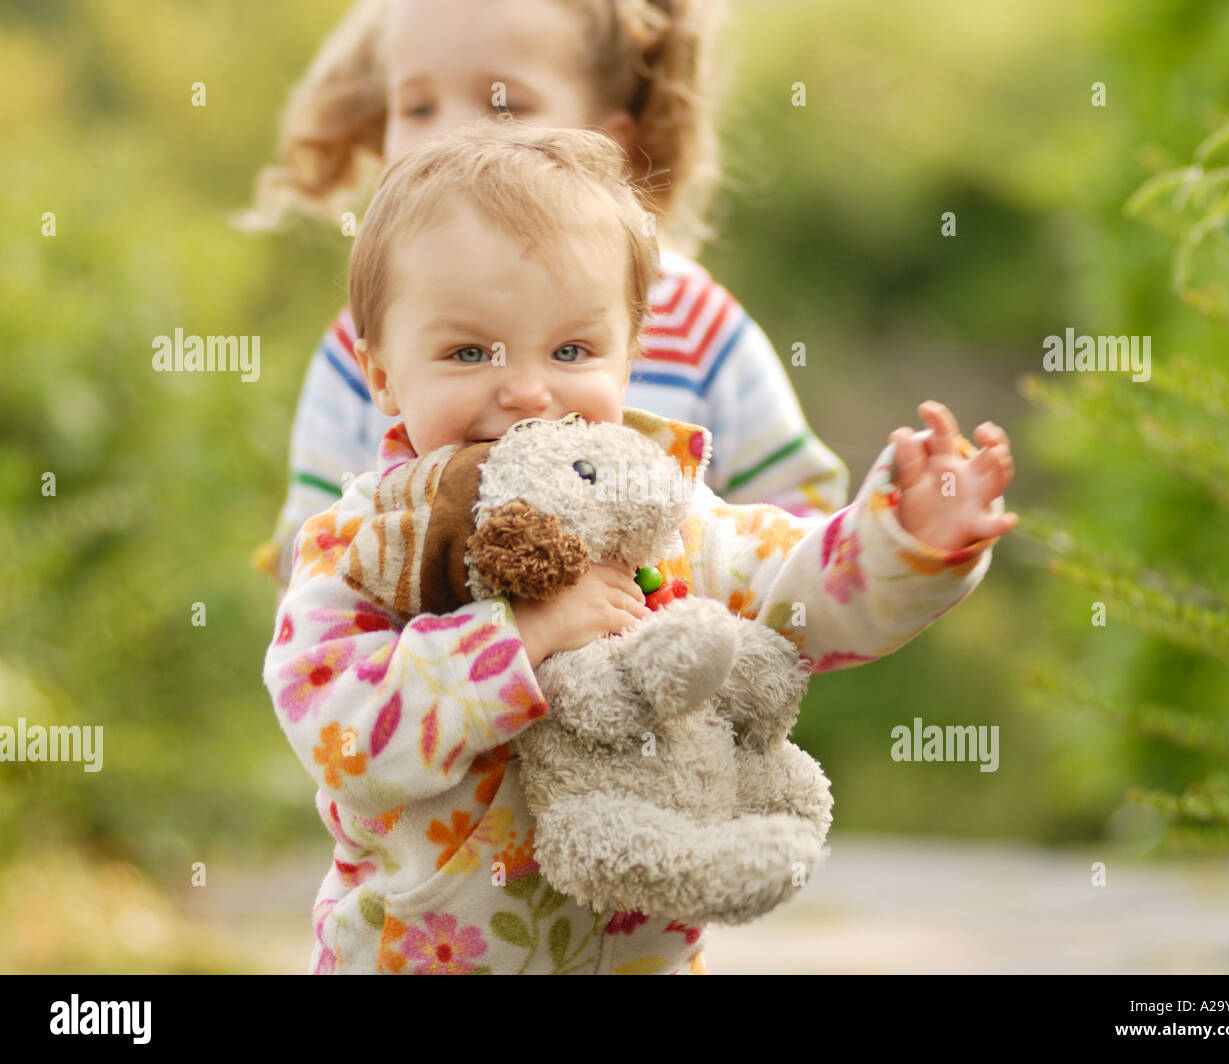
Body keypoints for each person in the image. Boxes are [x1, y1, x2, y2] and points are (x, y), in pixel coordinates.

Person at [262, 120, 1018, 975]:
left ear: (629, 358)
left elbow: (796, 592)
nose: (528, 391)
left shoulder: (664, 519)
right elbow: (340, 735)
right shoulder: (368, 548)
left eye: (572, 349)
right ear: (383, 373)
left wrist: (903, 541)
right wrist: (516, 637)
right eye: (469, 351)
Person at [248, 0, 850, 590]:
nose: (452, 136)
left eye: (502, 106)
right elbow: (314, 573)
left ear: (607, 146)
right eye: (418, 106)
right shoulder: (372, 340)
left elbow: (797, 526)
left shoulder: (694, 324)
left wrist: (677, 610)